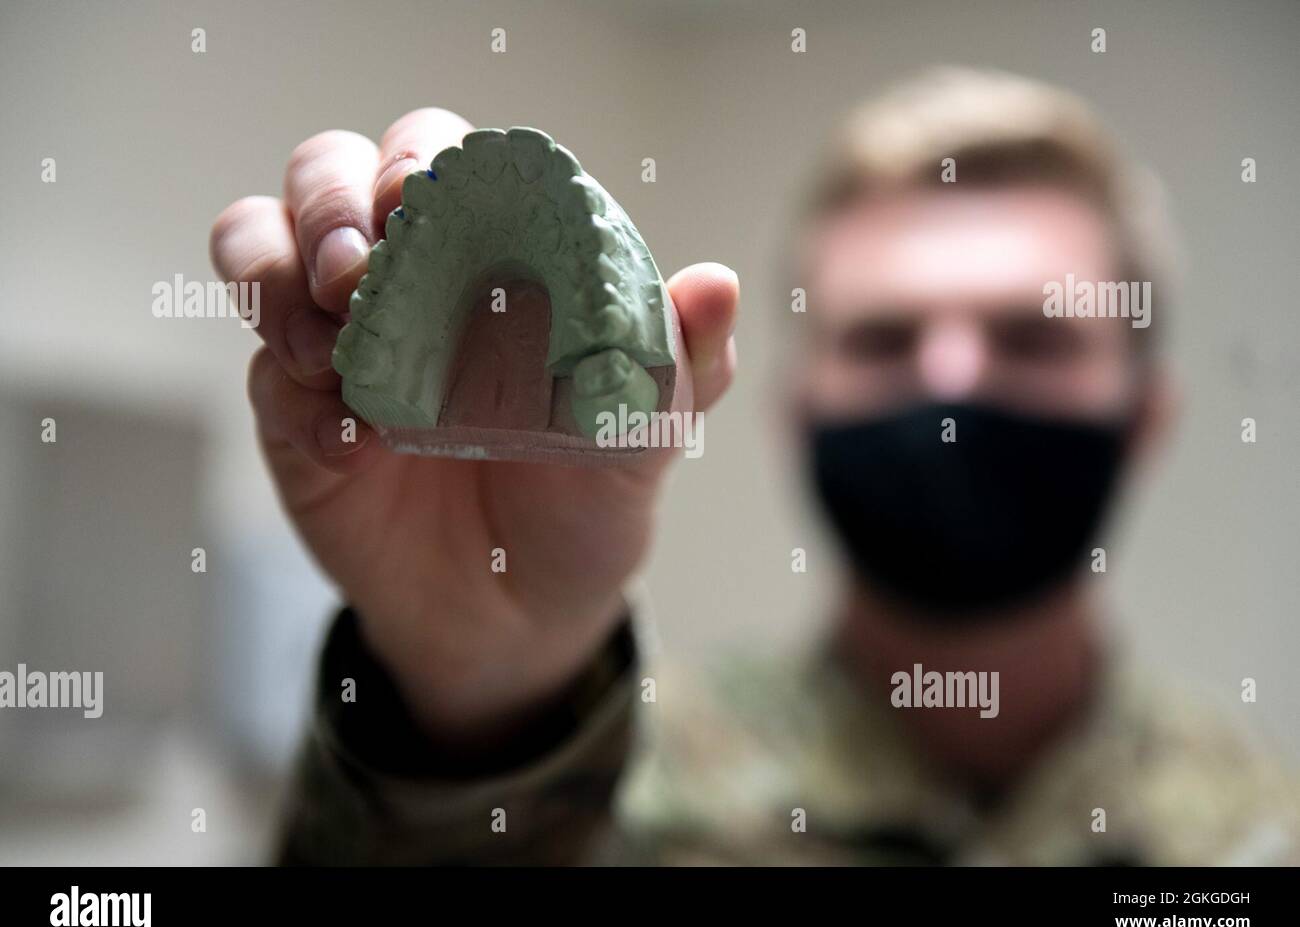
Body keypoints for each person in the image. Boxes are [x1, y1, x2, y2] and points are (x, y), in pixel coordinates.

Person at [209, 67, 1299, 865]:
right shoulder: (607, 807)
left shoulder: (1267, 833)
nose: (953, 387)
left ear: (1147, 412)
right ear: (795, 406)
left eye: (1031, 336)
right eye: (885, 339)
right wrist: (467, 688)